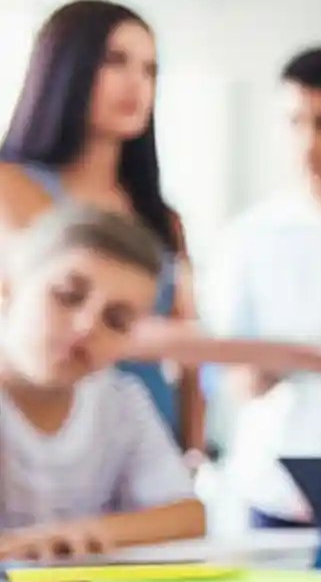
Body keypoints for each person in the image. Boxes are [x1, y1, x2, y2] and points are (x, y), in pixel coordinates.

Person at [0, 0, 203, 453]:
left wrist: (192, 449)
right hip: (51, 442)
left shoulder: (163, 218)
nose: (136, 84)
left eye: (150, 70)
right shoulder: (9, 187)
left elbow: (187, 353)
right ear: (63, 68)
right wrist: (298, 355)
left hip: (152, 442)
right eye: (115, 61)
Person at [208, 47, 321, 527]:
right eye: (294, 122)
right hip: (270, 485)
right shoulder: (247, 236)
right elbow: (232, 376)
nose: (308, 142)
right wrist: (305, 361)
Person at [0, 208, 204, 562]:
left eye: (116, 320)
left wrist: (75, 536)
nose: (86, 326)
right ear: (8, 286)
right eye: (67, 296)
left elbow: (188, 516)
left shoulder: (120, 402)